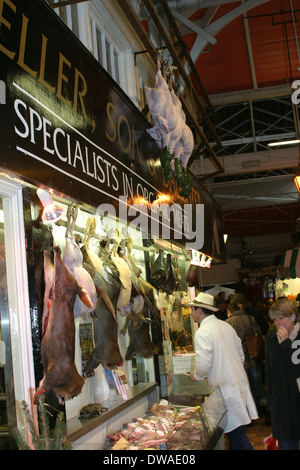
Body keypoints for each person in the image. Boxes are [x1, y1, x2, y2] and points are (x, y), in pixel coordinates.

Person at [186, 292, 258, 450]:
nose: (191, 313)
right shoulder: (226, 326)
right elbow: (240, 354)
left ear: (199, 310)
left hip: (226, 390)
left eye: (193, 309)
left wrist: (195, 375)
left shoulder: (202, 332)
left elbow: (203, 363)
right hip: (236, 384)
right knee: (235, 437)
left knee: (238, 437)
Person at [265, 298, 300, 450]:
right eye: (274, 319)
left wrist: (286, 343)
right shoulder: (272, 339)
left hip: (297, 397)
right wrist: (270, 401)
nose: (277, 323)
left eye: (281, 318)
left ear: (293, 317)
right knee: (286, 443)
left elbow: (296, 367)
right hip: (282, 402)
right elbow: (270, 372)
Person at [225, 294, 261, 410]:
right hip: (253, 356)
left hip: (237, 360)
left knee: (242, 386)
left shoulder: (228, 322)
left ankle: (247, 411)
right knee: (256, 385)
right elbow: (258, 335)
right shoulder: (251, 319)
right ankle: (259, 409)